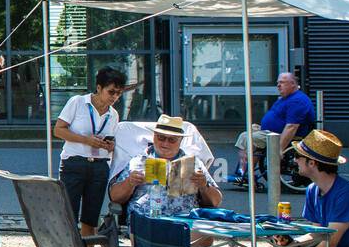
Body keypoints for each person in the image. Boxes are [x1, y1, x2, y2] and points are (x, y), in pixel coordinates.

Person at [53, 66, 127, 236]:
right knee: (68, 215)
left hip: (99, 166)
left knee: (91, 218)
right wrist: (86, 140)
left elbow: (112, 138)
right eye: (111, 92)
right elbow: (58, 130)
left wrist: (110, 146)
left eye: (119, 93)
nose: (115, 97)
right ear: (99, 88)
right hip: (74, 163)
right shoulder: (78, 102)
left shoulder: (113, 114)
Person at [108, 114, 223, 221]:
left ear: (180, 140)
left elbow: (216, 202)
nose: (165, 143)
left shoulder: (193, 163)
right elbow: (115, 198)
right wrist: (130, 182)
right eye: (161, 138)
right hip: (146, 221)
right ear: (154, 137)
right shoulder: (138, 161)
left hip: (184, 222)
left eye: (172, 139)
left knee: (205, 237)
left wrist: (204, 186)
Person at [231, 71, 315, 188]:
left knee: (250, 138)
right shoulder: (285, 98)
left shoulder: (297, 101)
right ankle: (242, 171)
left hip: (281, 135)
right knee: (246, 134)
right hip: (270, 131)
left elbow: (292, 127)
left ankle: (246, 174)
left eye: (282, 83)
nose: (278, 85)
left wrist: (278, 149)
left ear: (293, 84)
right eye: (278, 83)